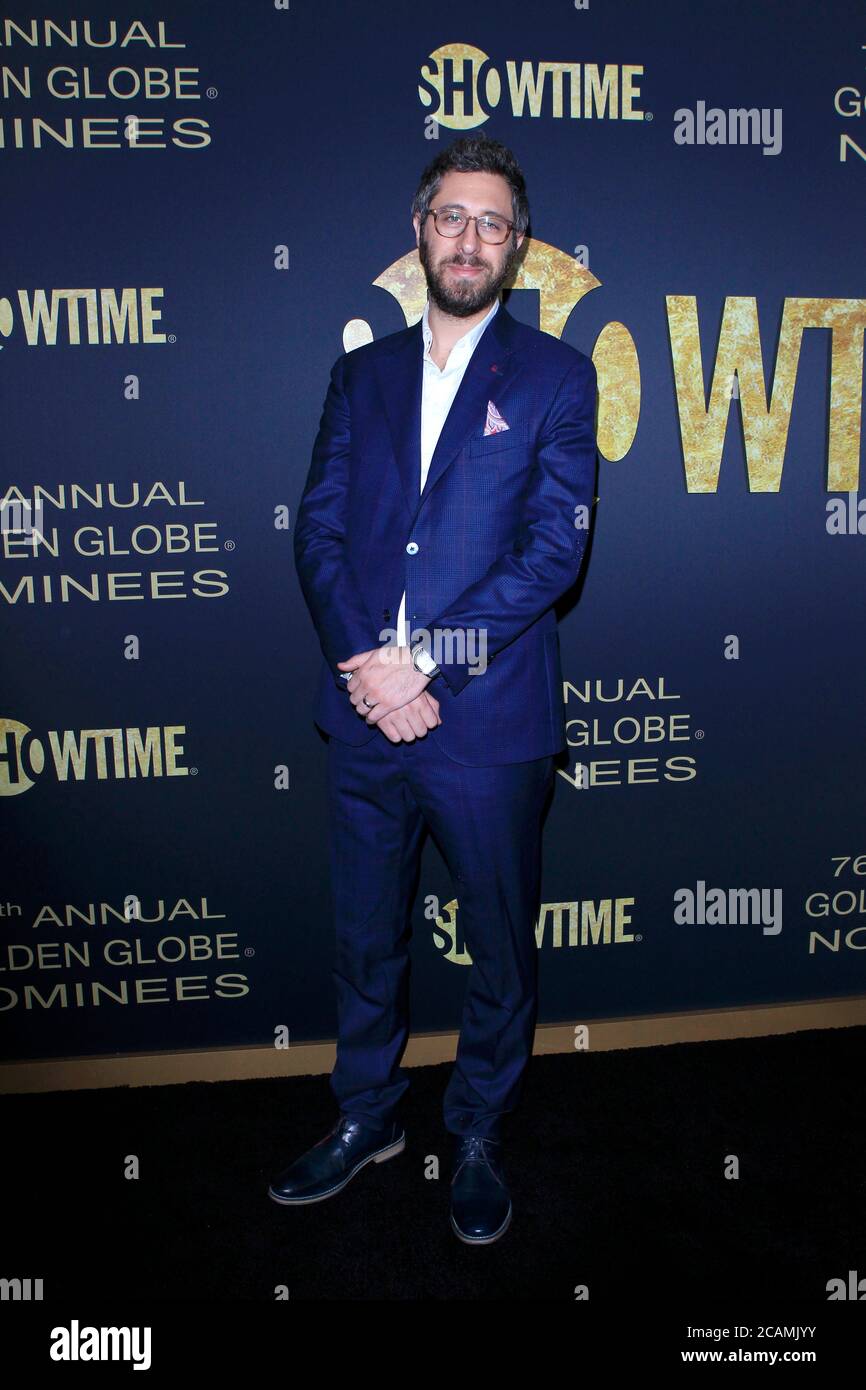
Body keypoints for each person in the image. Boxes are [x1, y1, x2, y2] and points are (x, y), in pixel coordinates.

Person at [268, 132, 598, 1244]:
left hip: (486, 719)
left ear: (516, 246)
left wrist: (429, 659)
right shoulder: (358, 374)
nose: (469, 238)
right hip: (365, 713)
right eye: (450, 216)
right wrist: (371, 666)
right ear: (418, 230)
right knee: (365, 936)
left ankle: (478, 1130)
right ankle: (369, 1115)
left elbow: (553, 553)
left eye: (491, 223)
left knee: (499, 946)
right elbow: (317, 531)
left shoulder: (555, 373)